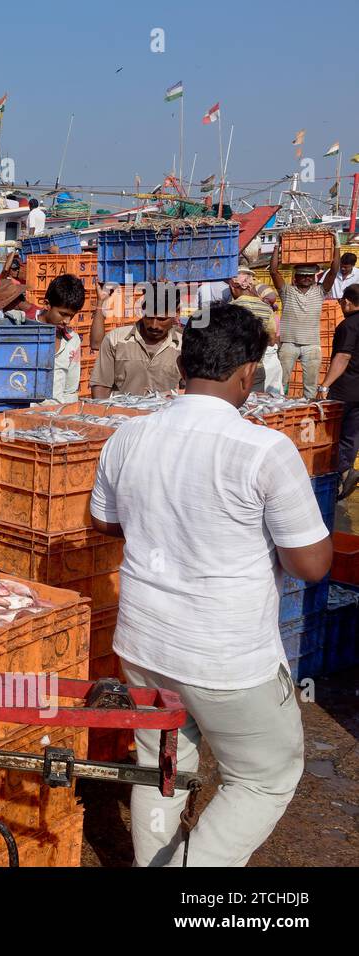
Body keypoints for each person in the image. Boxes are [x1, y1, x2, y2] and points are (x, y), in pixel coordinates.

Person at [90, 302, 330, 867]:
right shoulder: (263, 449)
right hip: (225, 658)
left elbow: (103, 519)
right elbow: (312, 565)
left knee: (161, 764)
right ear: (249, 372)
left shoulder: (129, 437)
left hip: (145, 645)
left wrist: (166, 519)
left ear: (181, 365)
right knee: (264, 779)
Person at [271, 243, 339, 401]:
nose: (307, 278)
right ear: (295, 277)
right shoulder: (287, 291)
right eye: (303, 275)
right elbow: (274, 271)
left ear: (314, 277)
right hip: (288, 343)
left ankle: (307, 410)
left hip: (312, 345)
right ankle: (276, 406)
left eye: (310, 275)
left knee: (310, 386)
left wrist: (336, 245)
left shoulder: (320, 291)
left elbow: (334, 270)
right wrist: (276, 247)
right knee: (280, 382)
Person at [90, 286, 183, 398]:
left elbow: (190, 392)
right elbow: (101, 386)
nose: (154, 325)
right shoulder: (115, 340)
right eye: (149, 317)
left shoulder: (184, 346)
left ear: (176, 313)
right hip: (122, 414)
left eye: (162, 319)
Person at [318, 285, 359, 499]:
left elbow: (343, 357)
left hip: (345, 389)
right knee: (351, 437)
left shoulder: (348, 325)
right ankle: (345, 475)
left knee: (330, 432)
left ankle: (343, 471)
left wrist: (325, 385)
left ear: (347, 302)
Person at [36, 274, 85, 405]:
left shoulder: (73, 340)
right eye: (63, 314)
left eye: (71, 316)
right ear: (47, 304)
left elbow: (70, 390)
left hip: (55, 415)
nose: (67, 321)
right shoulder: (24, 331)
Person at [229, 270, 278, 392]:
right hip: (256, 368)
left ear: (234, 286)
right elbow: (272, 341)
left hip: (234, 369)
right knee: (254, 406)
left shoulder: (231, 308)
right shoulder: (267, 309)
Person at [255, 282, 285, 395]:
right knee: (273, 394)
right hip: (272, 359)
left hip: (264, 359)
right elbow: (276, 341)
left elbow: (272, 341)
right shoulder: (275, 315)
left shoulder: (259, 314)